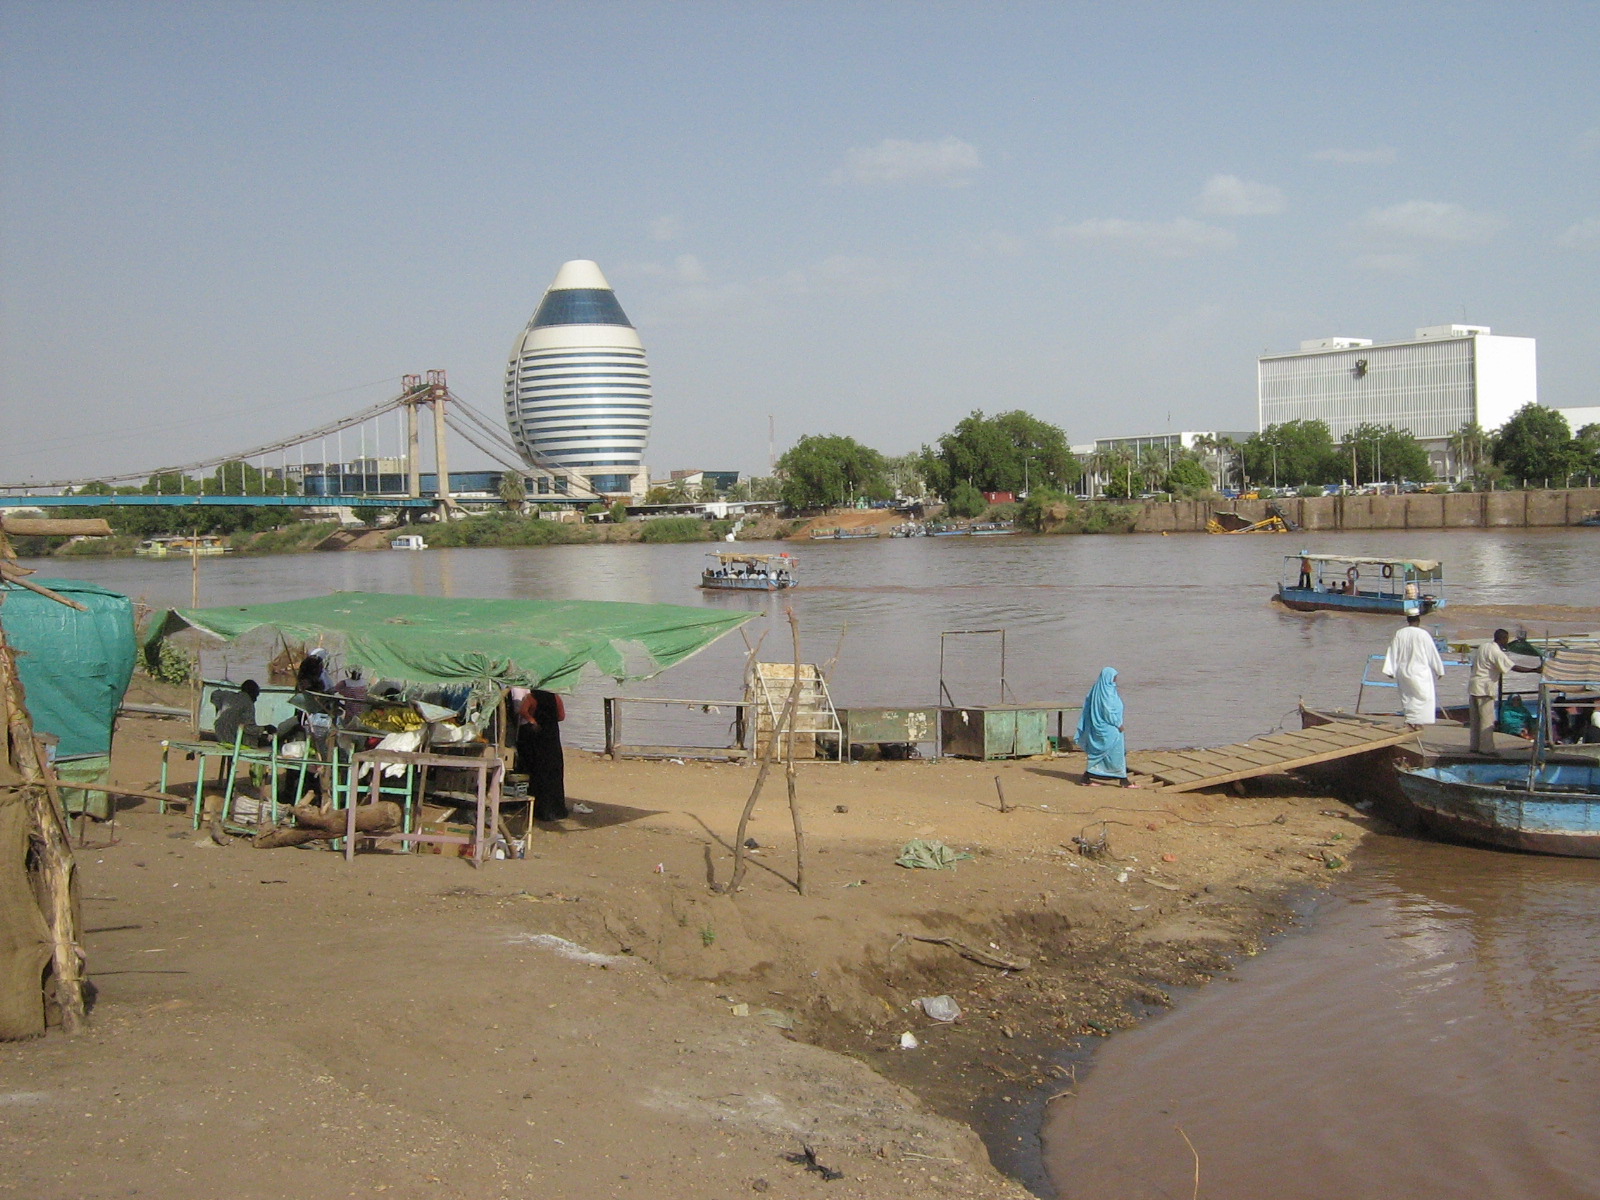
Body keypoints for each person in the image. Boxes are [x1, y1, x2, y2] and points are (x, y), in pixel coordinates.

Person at [1467, 629, 1543, 754]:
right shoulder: (1496, 652)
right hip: (1485, 688)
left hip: (1474, 686)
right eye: (1506, 639)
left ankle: (1474, 747)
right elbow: (1513, 667)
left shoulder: (1483, 646)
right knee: (1486, 721)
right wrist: (1534, 670)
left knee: (1475, 721)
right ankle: (1486, 749)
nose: (1506, 642)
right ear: (1502, 639)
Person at [1382, 614, 1445, 726]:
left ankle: (1410, 720)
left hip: (1403, 671)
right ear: (1419, 621)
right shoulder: (1423, 634)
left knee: (1407, 697)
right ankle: (1417, 722)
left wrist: (1390, 670)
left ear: (1408, 620)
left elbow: (1392, 652)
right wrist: (1439, 670)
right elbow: (1432, 653)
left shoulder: (1400, 633)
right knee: (1423, 697)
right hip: (1420, 672)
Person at [1077, 667, 1135, 787]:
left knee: (1103, 753)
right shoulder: (1106, 693)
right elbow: (1107, 711)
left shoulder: (1100, 690)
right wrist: (1118, 724)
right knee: (1115, 752)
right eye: (1113, 678)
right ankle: (1123, 780)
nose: (1115, 680)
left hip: (1101, 726)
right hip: (1108, 728)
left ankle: (1087, 777)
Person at [517, 688, 569, 820]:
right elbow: (561, 716)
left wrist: (532, 720)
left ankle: (539, 807)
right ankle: (556, 808)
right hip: (551, 736)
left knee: (537, 770)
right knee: (553, 771)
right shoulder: (556, 698)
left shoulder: (531, 697)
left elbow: (523, 711)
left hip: (537, 736)